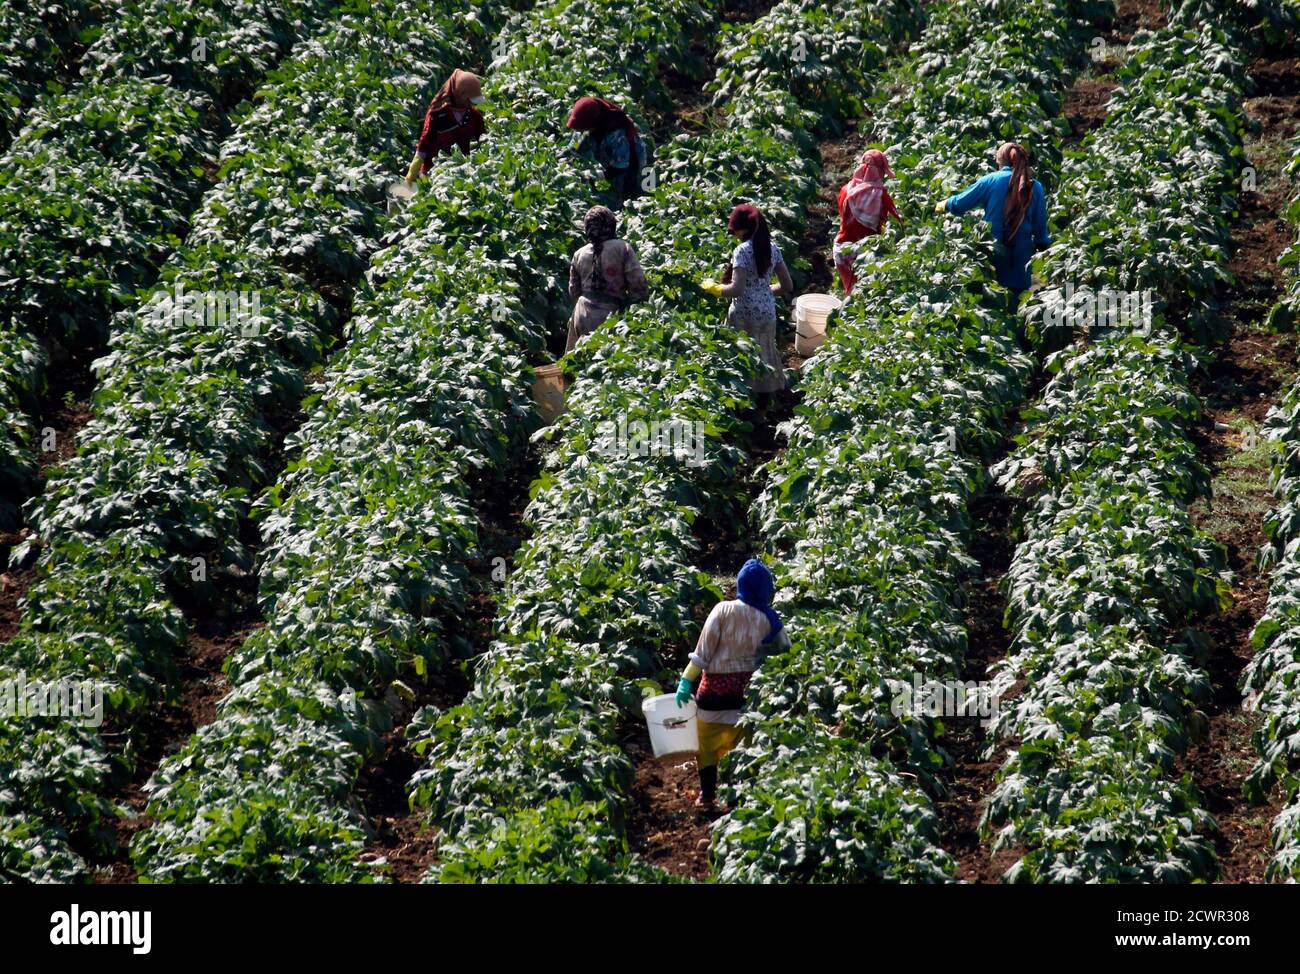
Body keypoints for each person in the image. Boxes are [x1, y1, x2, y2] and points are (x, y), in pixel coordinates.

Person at [674, 558, 790, 807]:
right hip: (747, 698)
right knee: (743, 746)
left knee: (706, 746)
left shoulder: (721, 610)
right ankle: (739, 797)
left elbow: (701, 656)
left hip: (713, 696)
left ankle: (707, 795)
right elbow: (786, 649)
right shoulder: (769, 618)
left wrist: (685, 682)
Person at [701, 204, 793, 412]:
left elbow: (737, 289)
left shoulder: (741, 251)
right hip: (767, 313)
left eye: (736, 230)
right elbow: (788, 286)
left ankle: (740, 409)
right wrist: (765, 292)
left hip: (743, 313)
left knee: (740, 358)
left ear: (746, 229)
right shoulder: (773, 248)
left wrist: (715, 289)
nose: (735, 235)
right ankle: (761, 412)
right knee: (763, 358)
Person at [935, 142, 1050, 299]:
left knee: (992, 302)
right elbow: (1040, 231)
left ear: (1000, 162)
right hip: (1021, 258)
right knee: (1017, 304)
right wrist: (1041, 250)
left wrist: (944, 204)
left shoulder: (991, 181)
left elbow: (962, 203)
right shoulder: (1036, 187)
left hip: (992, 252)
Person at [566, 205, 648, 352]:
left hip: (582, 314)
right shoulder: (622, 248)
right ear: (611, 225)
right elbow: (638, 285)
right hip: (611, 315)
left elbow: (573, 291)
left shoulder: (579, 254)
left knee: (583, 360)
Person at [833, 148, 902, 295]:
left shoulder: (845, 190)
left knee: (851, 292)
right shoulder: (881, 195)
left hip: (842, 250)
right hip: (866, 254)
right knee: (864, 295)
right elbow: (892, 224)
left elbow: (842, 216)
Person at [404, 69, 486, 183]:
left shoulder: (475, 116)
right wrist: (411, 173)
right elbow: (424, 144)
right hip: (435, 173)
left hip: (464, 172)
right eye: (469, 100)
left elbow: (483, 141)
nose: (472, 104)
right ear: (459, 94)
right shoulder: (437, 114)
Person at [565, 96, 647, 202]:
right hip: (610, 159)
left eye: (580, 127)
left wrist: (600, 175)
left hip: (629, 162)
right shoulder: (584, 124)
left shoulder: (616, 134)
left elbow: (621, 166)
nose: (577, 130)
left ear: (593, 123)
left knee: (626, 193)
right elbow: (572, 149)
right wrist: (566, 162)